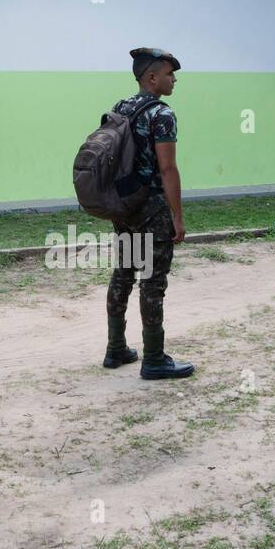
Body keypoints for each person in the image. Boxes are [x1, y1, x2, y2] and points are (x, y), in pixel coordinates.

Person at [104, 48, 194, 380]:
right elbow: (168, 169)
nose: (174, 79)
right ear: (152, 78)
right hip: (153, 209)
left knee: (124, 273)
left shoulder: (120, 108)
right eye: (170, 74)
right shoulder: (162, 114)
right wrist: (178, 216)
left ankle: (116, 349)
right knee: (153, 281)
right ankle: (154, 358)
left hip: (124, 206)